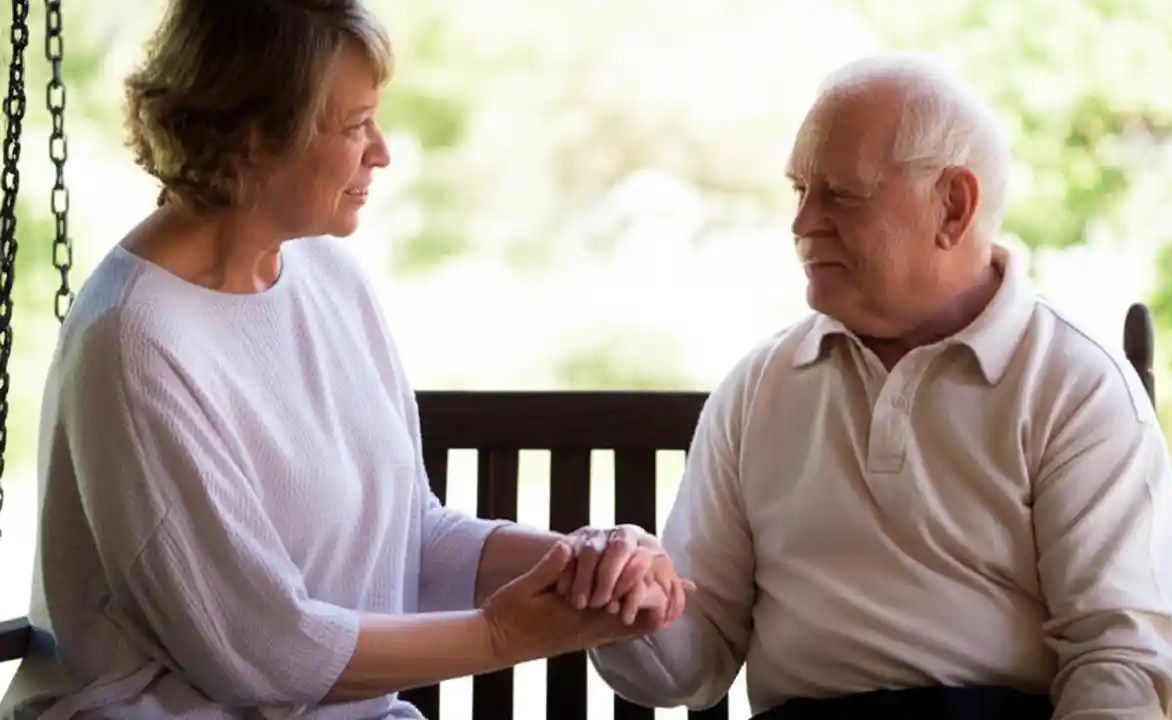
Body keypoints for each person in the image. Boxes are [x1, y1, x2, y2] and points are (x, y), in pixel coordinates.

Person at [0, 2, 690, 719]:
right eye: (356, 125)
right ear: (256, 136)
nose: (382, 150)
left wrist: (592, 560)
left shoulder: (326, 273)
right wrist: (503, 635)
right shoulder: (135, 339)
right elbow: (262, 652)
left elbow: (410, 536)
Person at [589, 53, 1172, 719]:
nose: (802, 224)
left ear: (952, 208)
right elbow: (693, 667)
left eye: (840, 194)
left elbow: (1120, 658)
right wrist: (638, 613)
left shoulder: (1073, 386)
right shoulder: (762, 386)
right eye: (799, 192)